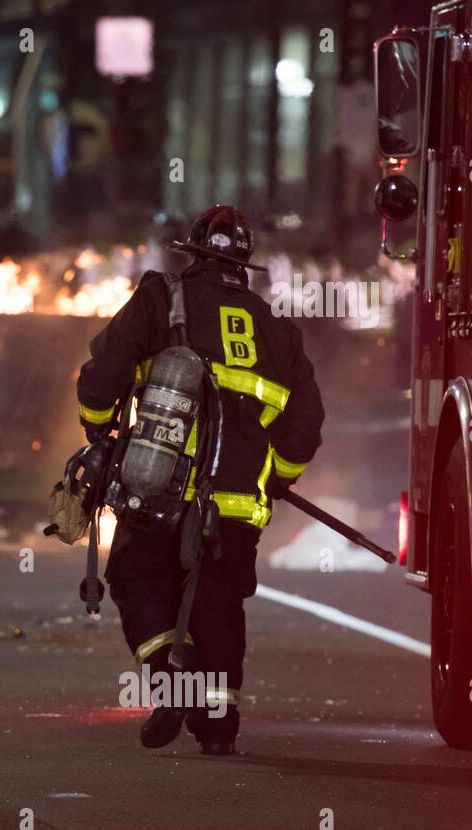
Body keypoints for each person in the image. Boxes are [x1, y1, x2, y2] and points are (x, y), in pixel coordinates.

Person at [77, 206, 324, 755]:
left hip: (161, 488)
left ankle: (170, 681)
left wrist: (98, 431)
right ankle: (217, 729)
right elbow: (305, 426)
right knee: (218, 601)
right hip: (235, 505)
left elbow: (103, 371)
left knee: (139, 577)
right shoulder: (278, 331)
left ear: (193, 254)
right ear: (244, 266)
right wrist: (277, 478)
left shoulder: (161, 300)